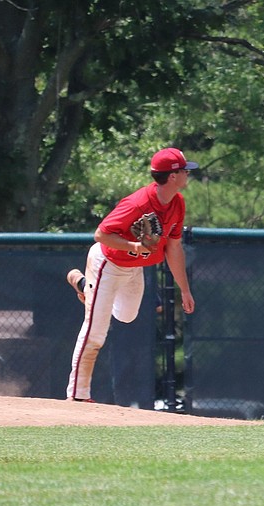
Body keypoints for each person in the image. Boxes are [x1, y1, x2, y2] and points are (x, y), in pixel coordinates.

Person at [66, 147, 198, 402]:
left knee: (127, 316)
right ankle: (78, 395)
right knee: (96, 331)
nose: (187, 174)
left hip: (133, 268)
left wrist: (185, 289)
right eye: (184, 170)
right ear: (172, 176)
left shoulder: (177, 203)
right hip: (107, 263)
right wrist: (135, 246)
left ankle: (86, 286)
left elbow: (173, 247)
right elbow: (101, 235)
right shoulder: (137, 204)